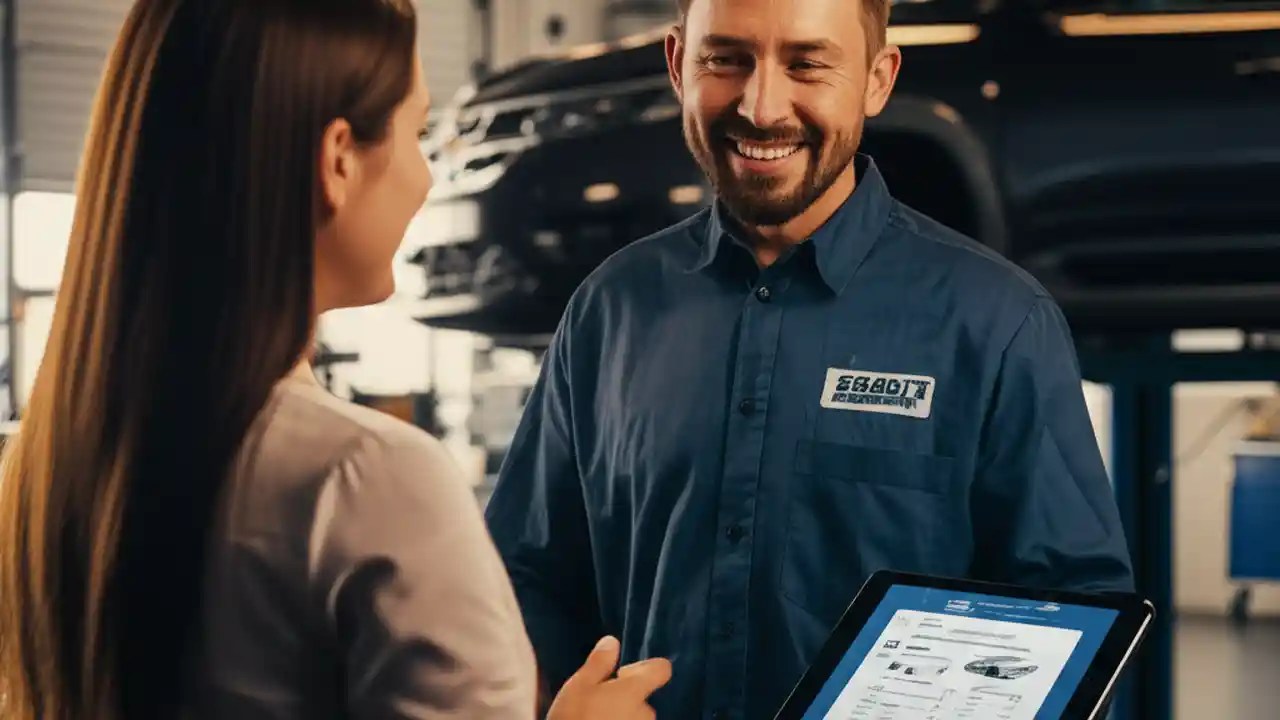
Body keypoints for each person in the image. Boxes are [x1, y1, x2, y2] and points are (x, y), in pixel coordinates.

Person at [0, 1, 669, 719]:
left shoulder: (51, 465)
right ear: (338, 159)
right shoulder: (365, 479)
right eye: (417, 133)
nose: (425, 178)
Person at [483, 0, 1136, 717]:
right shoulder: (609, 314)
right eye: (725, 60)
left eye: (807, 64)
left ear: (878, 79)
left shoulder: (996, 323)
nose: (762, 107)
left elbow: (1072, 621)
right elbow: (526, 582)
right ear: (678, 66)